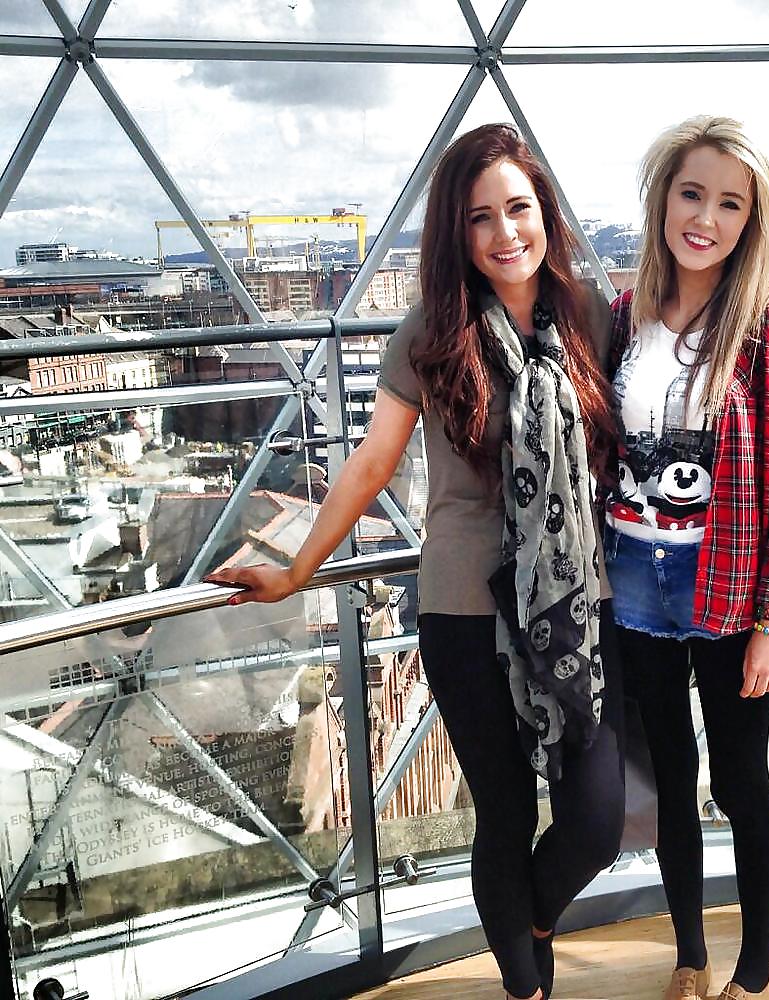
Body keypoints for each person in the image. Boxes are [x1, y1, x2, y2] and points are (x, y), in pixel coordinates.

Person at [206, 123, 625, 1000]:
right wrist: (297, 571)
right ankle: (525, 985)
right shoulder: (431, 335)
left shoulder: (590, 314)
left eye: (519, 208)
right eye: (481, 217)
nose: (505, 233)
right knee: (505, 813)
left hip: (576, 607)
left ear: (545, 212)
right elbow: (370, 463)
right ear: (456, 233)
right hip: (465, 609)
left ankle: (532, 921)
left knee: (594, 824)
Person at [603, 115, 769, 1000]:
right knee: (670, 780)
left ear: (753, 219)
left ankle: (755, 970)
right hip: (634, 579)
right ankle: (689, 957)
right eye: (691, 194)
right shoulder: (625, 315)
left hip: (726, 589)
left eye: (731, 203)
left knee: (739, 783)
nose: (706, 218)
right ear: (663, 199)